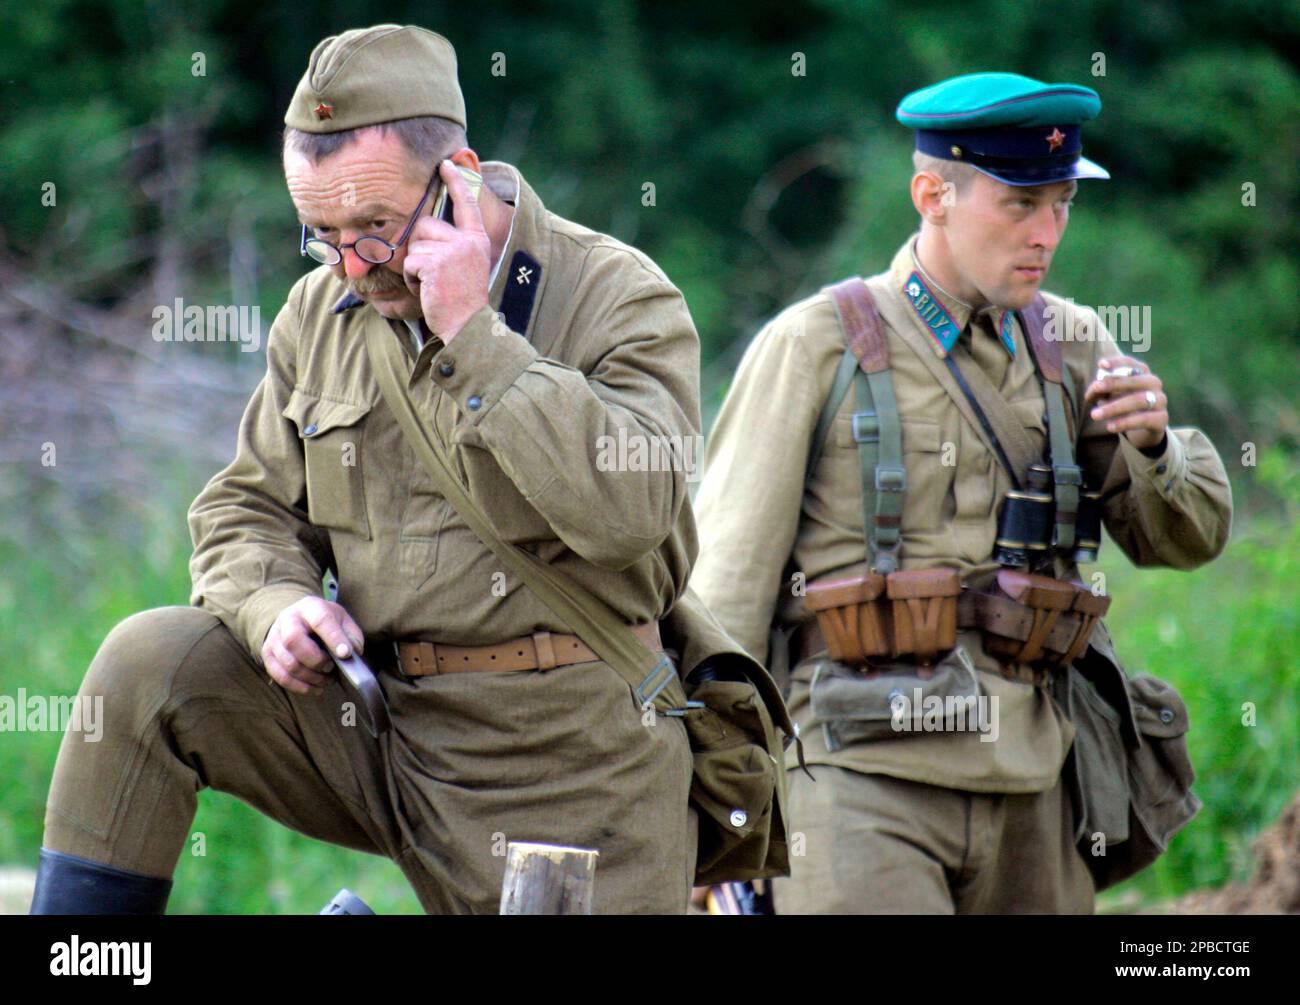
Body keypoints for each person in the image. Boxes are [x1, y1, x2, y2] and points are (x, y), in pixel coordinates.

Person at [31, 23, 743, 915]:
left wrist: (477, 339)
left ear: (460, 179)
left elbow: (631, 513)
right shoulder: (321, 306)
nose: (355, 266)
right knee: (151, 663)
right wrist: (274, 604)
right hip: (382, 727)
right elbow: (244, 511)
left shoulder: (618, 295)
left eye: (374, 228)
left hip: (575, 756)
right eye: (321, 234)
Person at [690, 72, 1233, 913]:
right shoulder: (817, 345)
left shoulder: (1073, 344)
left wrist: (1158, 447)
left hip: (1035, 777)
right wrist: (721, 819)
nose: (1046, 234)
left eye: (1061, 205)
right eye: (1019, 206)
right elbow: (723, 595)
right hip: (857, 775)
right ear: (931, 194)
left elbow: (1186, 541)